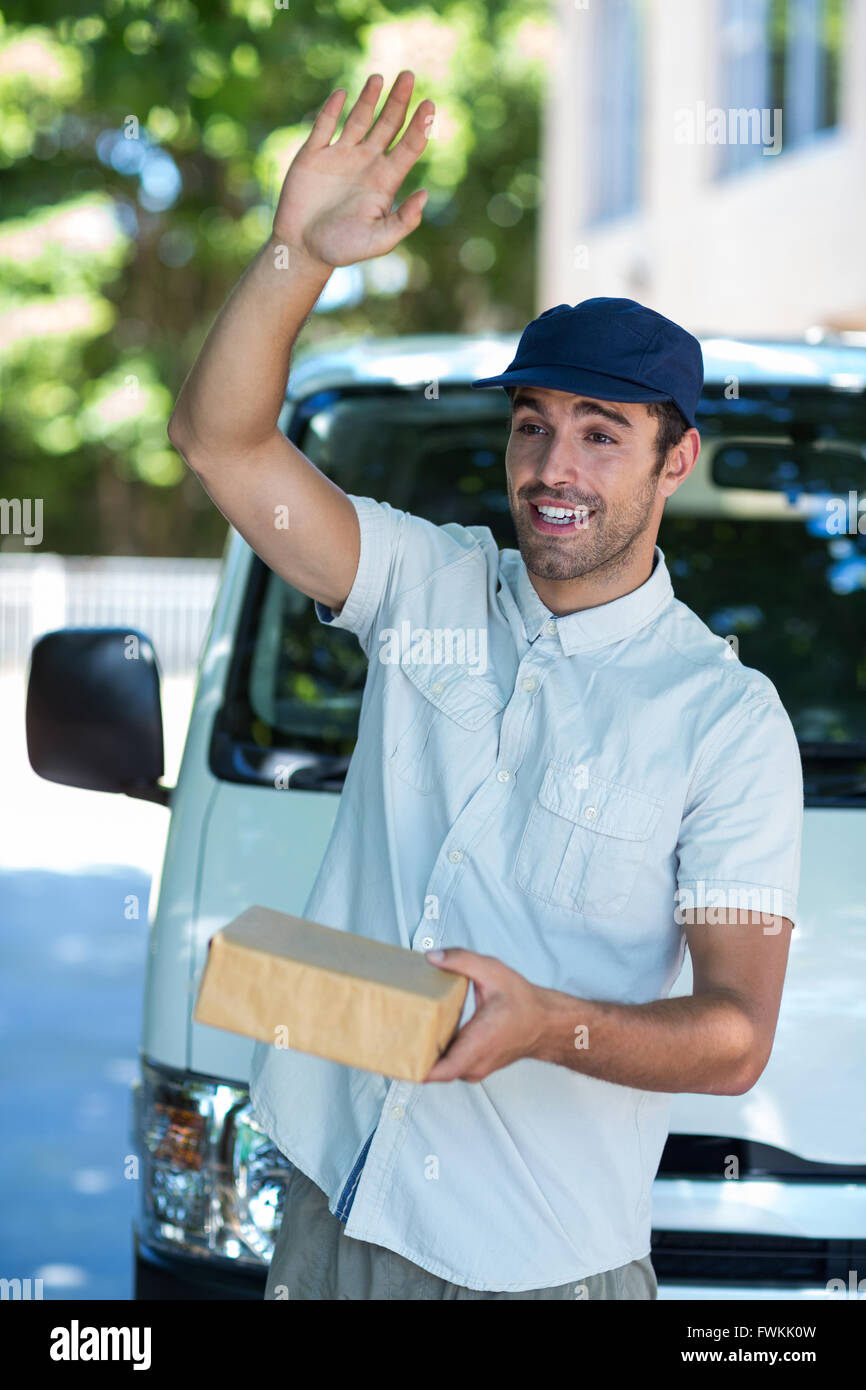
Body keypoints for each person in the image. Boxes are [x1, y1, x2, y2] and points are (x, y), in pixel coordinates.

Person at [168, 70, 802, 1300]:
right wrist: (296, 250)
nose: (552, 466)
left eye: (600, 433)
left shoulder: (725, 723)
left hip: (531, 1270)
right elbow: (221, 443)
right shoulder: (426, 585)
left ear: (675, 458)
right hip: (327, 1200)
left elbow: (734, 1034)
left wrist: (544, 1023)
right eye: (531, 424)